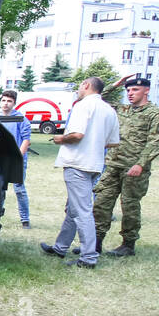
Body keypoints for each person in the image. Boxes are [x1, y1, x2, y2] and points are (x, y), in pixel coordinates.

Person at [40, 77, 119, 268]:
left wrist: (60, 139)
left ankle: (88, 257)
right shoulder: (109, 110)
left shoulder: (83, 106)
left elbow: (76, 135)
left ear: (87, 86)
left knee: (82, 211)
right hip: (94, 164)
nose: (78, 89)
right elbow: (113, 142)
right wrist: (94, 144)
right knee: (74, 209)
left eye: (80, 85)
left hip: (78, 164)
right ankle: (60, 247)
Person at [91, 76, 159, 257]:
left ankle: (128, 244)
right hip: (113, 164)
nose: (130, 94)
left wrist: (141, 164)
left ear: (146, 91)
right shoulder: (123, 109)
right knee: (101, 203)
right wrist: (115, 84)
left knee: (130, 206)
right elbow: (98, 98)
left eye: (135, 90)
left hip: (133, 168)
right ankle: (95, 242)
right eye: (128, 90)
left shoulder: (156, 114)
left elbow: (155, 142)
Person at [0, 90, 32, 228]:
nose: (6, 103)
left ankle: (25, 219)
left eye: (9, 101)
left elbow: (26, 141)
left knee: (19, 189)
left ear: (14, 103)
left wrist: (17, 158)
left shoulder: (21, 119)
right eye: (4, 100)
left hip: (17, 159)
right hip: (0, 159)